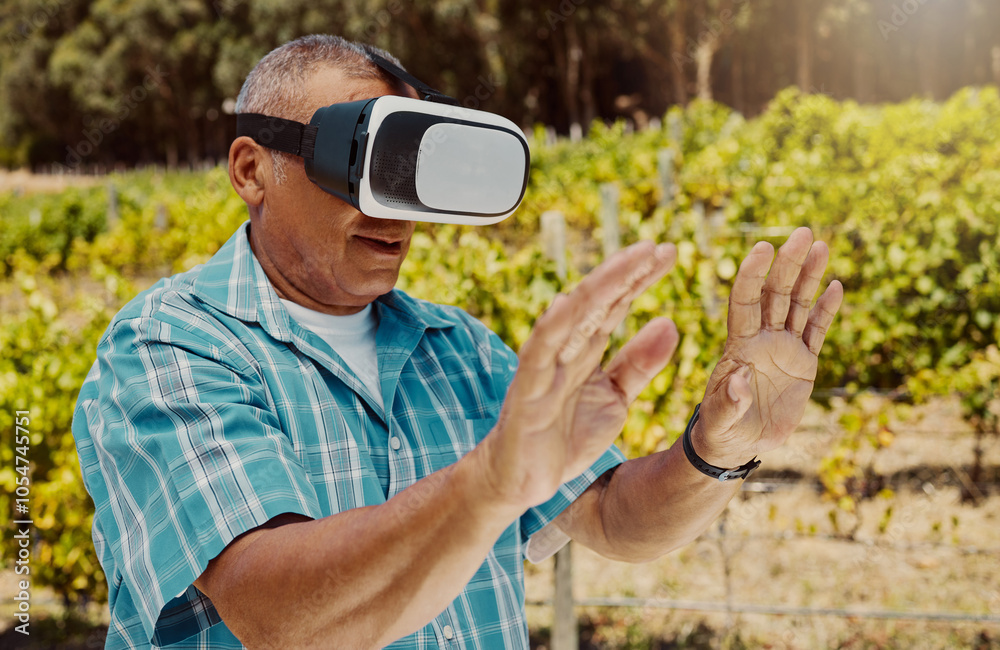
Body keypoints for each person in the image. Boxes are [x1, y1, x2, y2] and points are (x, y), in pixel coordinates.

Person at [72, 35, 843, 649]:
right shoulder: (168, 348)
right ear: (251, 170)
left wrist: (716, 448)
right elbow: (281, 620)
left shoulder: (460, 349)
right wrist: (488, 485)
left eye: (411, 174)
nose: (395, 211)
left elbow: (612, 517)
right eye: (360, 165)